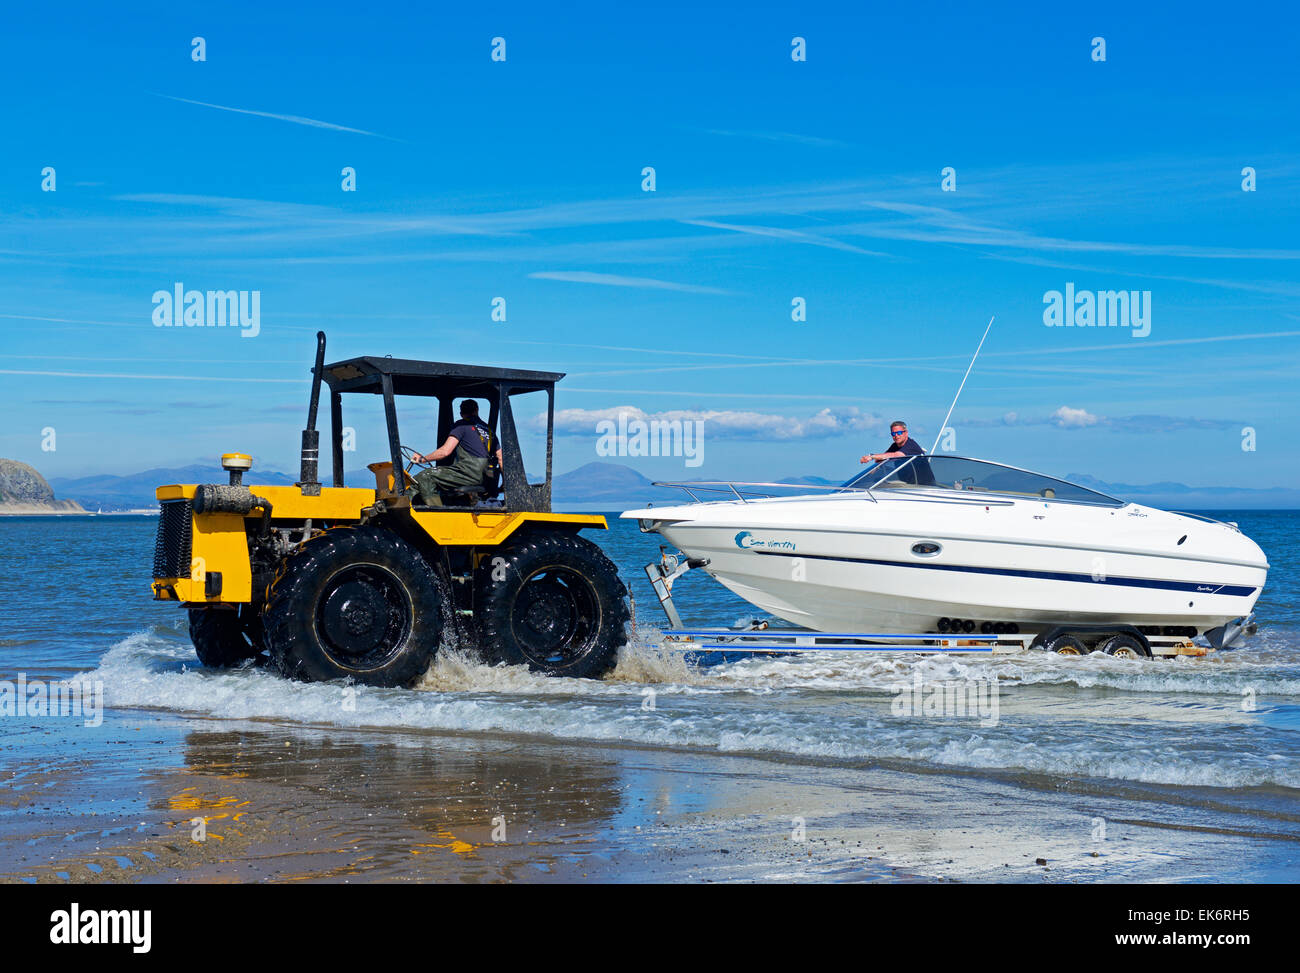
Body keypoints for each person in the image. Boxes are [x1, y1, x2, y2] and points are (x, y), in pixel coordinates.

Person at [409, 400, 502, 506]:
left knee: (425, 476)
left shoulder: (461, 425)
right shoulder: (489, 431)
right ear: (477, 410)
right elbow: (500, 458)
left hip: (468, 473)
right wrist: (505, 484)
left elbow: (444, 452)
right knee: (421, 483)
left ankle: (437, 513)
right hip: (485, 478)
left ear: (461, 413)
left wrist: (421, 459)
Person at [859, 420, 934, 485]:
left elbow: (896, 455)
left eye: (899, 433)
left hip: (923, 485)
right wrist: (870, 473)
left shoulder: (911, 445)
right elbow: (881, 459)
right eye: (893, 434)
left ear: (906, 433)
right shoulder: (895, 446)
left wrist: (871, 456)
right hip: (908, 484)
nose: (896, 436)